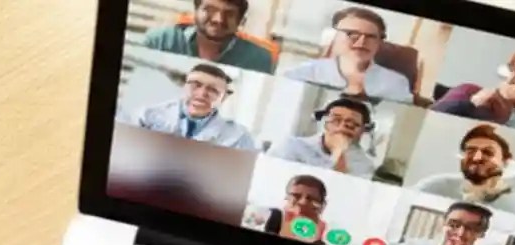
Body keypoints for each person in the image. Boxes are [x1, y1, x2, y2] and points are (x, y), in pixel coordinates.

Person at [412, 124, 515, 220]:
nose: (477, 158)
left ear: (505, 162)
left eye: (488, 152)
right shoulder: (433, 187)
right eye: (470, 151)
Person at [282, 7, 412, 103]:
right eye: (352, 34)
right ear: (335, 36)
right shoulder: (304, 73)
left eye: (371, 37)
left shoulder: (396, 83)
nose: (361, 42)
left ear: (379, 42)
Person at [121, 63, 256, 150]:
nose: (202, 94)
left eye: (213, 90)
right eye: (195, 85)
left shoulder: (239, 137)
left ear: (224, 97)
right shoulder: (146, 116)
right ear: (184, 86)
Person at [142, 0, 275, 73]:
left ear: (241, 22)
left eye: (229, 14)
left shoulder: (259, 60)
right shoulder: (160, 41)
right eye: (210, 10)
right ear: (196, 11)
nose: (218, 19)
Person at [266, 97, 375, 178]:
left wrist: (339, 153)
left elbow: (338, 191)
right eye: (335, 120)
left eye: (351, 125)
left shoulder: (364, 165)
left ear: (362, 131)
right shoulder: (291, 146)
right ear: (323, 121)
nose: (341, 128)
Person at [261, 174, 329, 245]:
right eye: (296, 196)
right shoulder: (273, 216)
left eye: (311, 199)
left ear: (322, 204)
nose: (303, 202)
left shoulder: (326, 232)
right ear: (286, 197)